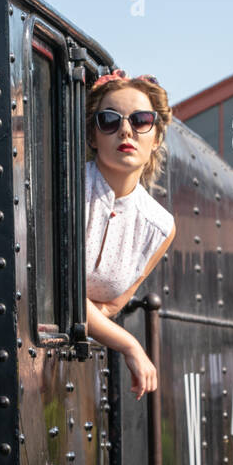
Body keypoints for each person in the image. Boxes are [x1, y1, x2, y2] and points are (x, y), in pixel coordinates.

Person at [82, 70, 176, 400]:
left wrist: (83, 309)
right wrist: (128, 343)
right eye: (109, 120)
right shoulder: (65, 191)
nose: (126, 130)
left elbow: (111, 305)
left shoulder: (160, 227)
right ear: (93, 136)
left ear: (157, 137)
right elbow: (55, 293)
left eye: (140, 120)